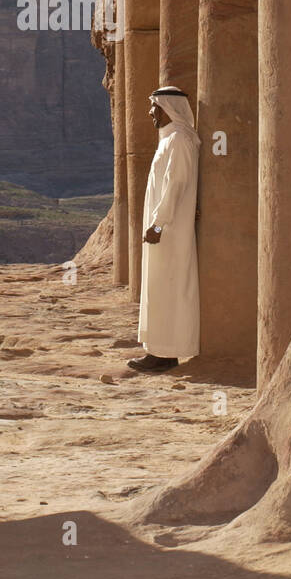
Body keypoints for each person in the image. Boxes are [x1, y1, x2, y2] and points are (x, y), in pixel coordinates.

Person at [127, 85, 201, 372]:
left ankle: (168, 353)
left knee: (170, 288)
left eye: (154, 107)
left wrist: (159, 223)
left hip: (169, 230)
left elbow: (176, 185)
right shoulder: (170, 140)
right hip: (165, 228)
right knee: (161, 288)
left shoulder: (180, 140)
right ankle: (159, 350)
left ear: (169, 108)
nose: (150, 112)